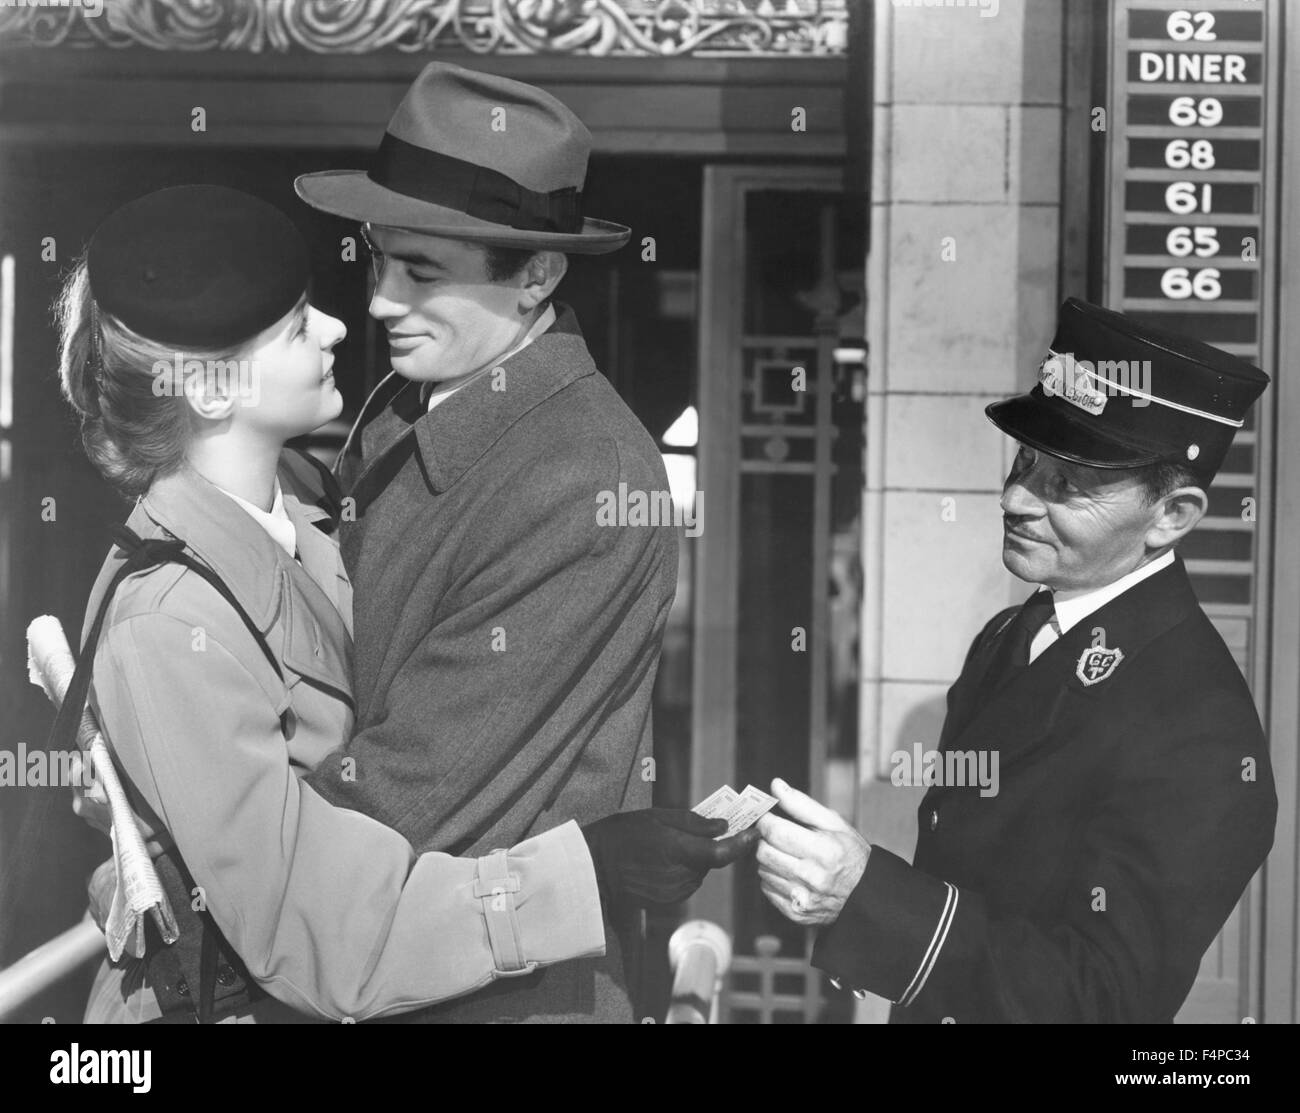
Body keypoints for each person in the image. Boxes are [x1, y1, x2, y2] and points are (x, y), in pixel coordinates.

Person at [56, 184, 752, 1024]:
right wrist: (582, 873)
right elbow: (315, 923)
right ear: (211, 391)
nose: (353, 318)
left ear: (536, 276)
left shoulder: (319, 512)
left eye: (419, 269)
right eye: (295, 326)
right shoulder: (171, 614)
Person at [753, 298, 1277, 1023]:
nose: (1015, 498)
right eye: (1026, 459)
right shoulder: (1014, 633)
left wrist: (870, 895)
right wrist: (858, 896)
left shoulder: (1200, 732)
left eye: (1068, 484)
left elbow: (1099, 999)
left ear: (1172, 516)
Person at [291, 62, 682, 1022]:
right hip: (373, 955)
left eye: (422, 272)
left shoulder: (588, 475)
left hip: (493, 990)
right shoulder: (410, 405)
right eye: (379, 258)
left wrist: (215, 841)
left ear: (538, 276)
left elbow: (413, 786)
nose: (380, 302)